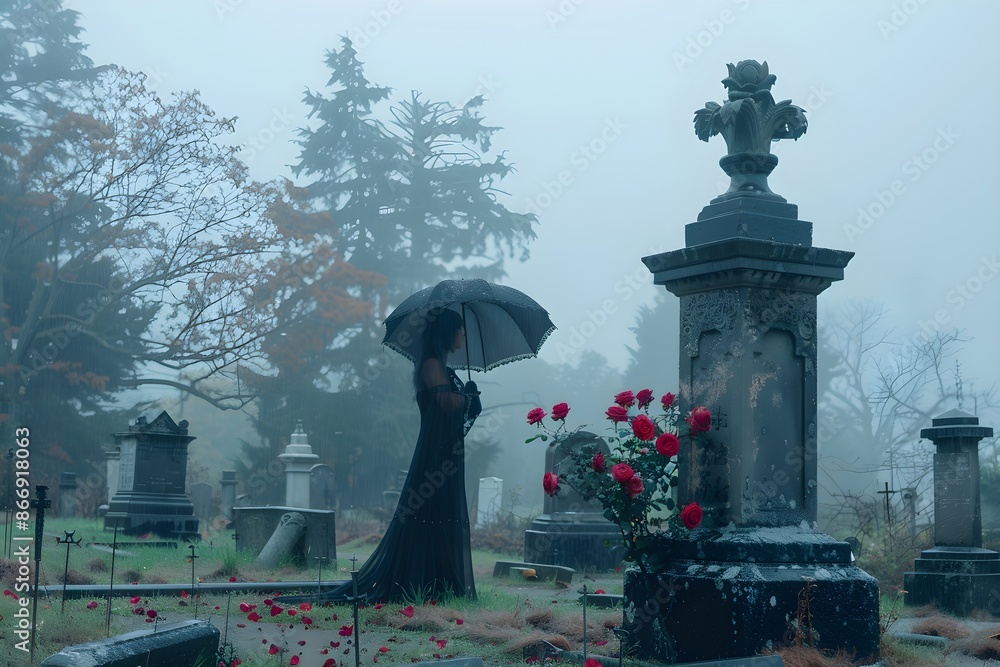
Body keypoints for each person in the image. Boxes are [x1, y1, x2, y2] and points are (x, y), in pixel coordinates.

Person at [297, 308, 481, 603]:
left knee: (442, 513)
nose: (463, 336)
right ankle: (422, 581)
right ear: (447, 332)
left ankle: (441, 582)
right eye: (460, 330)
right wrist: (467, 397)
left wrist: (468, 397)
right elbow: (446, 403)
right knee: (429, 512)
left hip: (446, 452)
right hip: (433, 454)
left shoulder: (442, 367)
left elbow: (454, 409)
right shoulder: (431, 364)